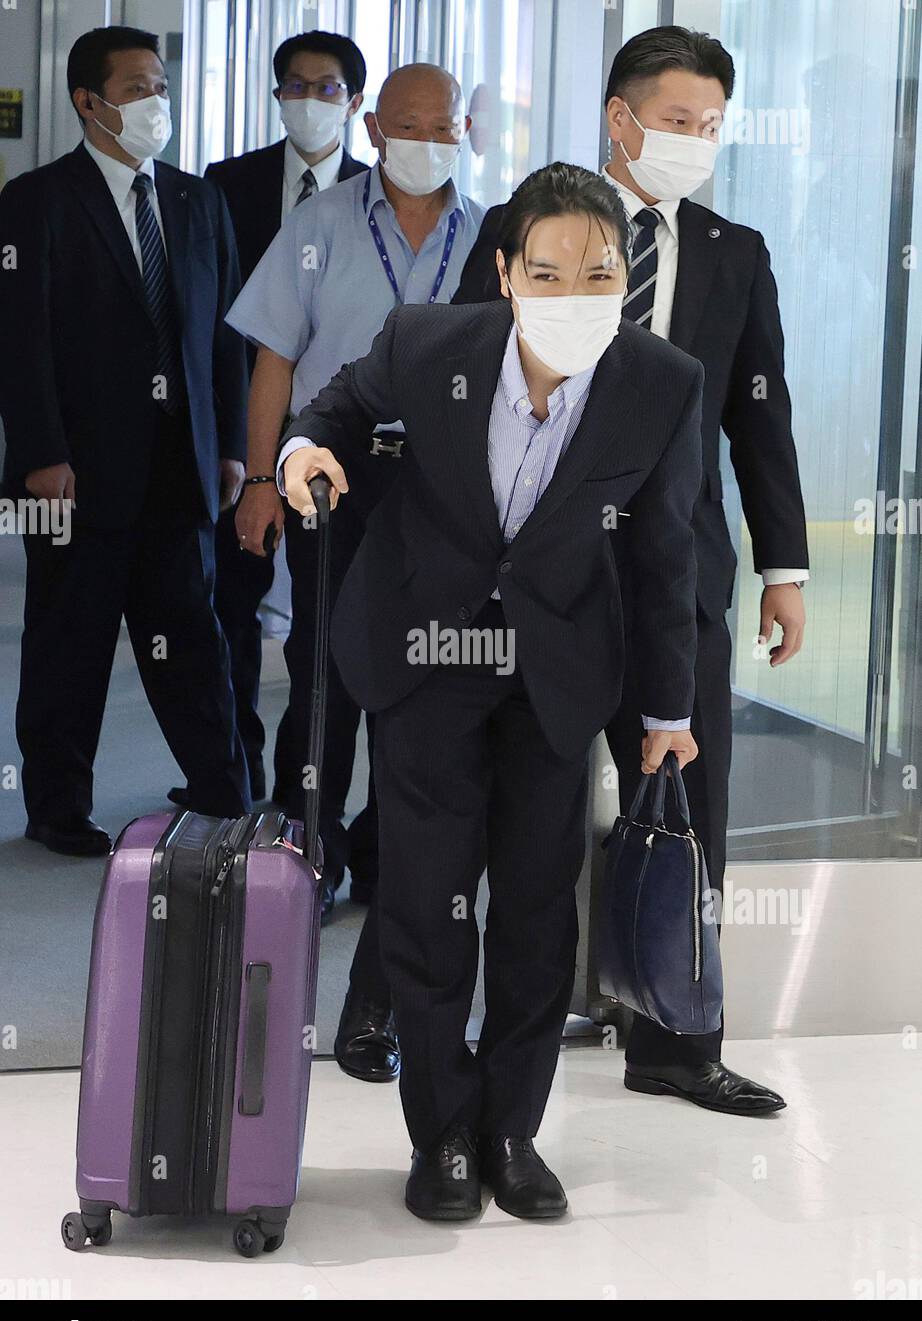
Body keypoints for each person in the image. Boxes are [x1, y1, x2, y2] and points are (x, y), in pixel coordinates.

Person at [279, 163, 705, 1221]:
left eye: (598, 274)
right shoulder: (428, 344)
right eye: (549, 272)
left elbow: (665, 558)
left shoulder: (660, 382)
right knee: (426, 906)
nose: (574, 294)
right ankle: (441, 1137)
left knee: (532, 909)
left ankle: (511, 1128)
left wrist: (666, 715)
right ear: (508, 273)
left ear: (623, 277)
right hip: (425, 654)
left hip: (555, 673)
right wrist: (297, 454)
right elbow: (333, 408)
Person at [451, 26, 807, 1117]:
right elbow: (465, 376)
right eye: (679, 120)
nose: (696, 141)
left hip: (677, 574)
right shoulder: (532, 231)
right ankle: (450, 1025)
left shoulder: (733, 251)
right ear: (621, 118)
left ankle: (675, 1036)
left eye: (710, 125)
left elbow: (761, 419)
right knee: (513, 806)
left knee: (686, 801)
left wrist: (783, 567)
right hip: (542, 571)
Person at [226, 63, 485, 1082]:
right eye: (406, 124)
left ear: (463, 128)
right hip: (332, 475)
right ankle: (311, 851)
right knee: (329, 680)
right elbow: (274, 365)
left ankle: (383, 853)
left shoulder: (491, 232)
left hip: (446, 490)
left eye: (443, 124)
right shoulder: (322, 224)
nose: (425, 138)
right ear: (373, 126)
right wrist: (258, 480)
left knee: (429, 681)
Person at [0, 25, 250, 856]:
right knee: (70, 639)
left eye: (161, 86)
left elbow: (221, 335)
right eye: (139, 88)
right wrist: (40, 453)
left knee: (190, 630)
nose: (157, 103)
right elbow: (20, 339)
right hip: (70, 472)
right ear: (88, 102)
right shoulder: (37, 201)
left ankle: (222, 788)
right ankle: (58, 807)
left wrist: (231, 445)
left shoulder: (192, 198)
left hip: (180, 464)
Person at [167, 31, 368, 807]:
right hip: (243, 430)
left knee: (326, 622)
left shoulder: (375, 192)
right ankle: (234, 768)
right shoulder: (229, 184)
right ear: (276, 94)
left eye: (326, 89)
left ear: (354, 104)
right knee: (233, 604)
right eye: (294, 86)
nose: (307, 101)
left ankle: (308, 792)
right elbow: (211, 319)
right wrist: (229, 444)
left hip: (339, 440)